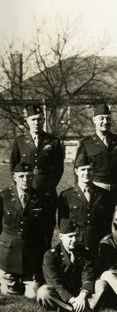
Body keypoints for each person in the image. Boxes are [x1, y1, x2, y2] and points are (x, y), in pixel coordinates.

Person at [8, 104, 63, 247]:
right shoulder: (19, 142)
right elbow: (13, 167)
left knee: (46, 229)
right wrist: (21, 188)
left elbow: (59, 168)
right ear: (27, 121)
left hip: (47, 191)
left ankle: (44, 264)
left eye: (39, 119)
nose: (36, 123)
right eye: (33, 120)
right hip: (27, 190)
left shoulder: (53, 141)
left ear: (43, 120)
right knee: (28, 228)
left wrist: (49, 185)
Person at [0, 163, 48, 298]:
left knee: (32, 295)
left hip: (29, 253)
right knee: (9, 292)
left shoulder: (40, 198)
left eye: (29, 176)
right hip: (8, 253)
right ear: (14, 177)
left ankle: (26, 280)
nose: (25, 180)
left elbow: (44, 228)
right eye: (21, 176)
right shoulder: (4, 196)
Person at [75, 104, 117, 207]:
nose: (105, 122)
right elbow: (79, 169)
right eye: (101, 118)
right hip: (96, 190)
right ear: (94, 120)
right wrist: (80, 191)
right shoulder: (86, 143)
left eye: (108, 119)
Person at [37, 221, 97, 312]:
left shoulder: (84, 252)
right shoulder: (50, 255)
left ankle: (69, 308)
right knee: (43, 293)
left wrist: (82, 296)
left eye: (76, 235)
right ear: (60, 237)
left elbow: (88, 274)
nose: (74, 240)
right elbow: (55, 283)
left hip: (80, 291)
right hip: (61, 293)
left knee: (101, 284)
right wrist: (72, 300)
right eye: (70, 236)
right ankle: (76, 308)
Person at [57, 154, 112, 249]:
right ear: (76, 171)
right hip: (76, 242)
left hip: (99, 242)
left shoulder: (104, 194)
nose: (86, 173)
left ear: (94, 171)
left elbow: (108, 221)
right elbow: (63, 224)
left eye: (90, 169)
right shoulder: (66, 195)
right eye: (83, 169)